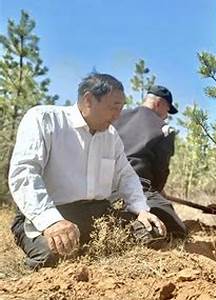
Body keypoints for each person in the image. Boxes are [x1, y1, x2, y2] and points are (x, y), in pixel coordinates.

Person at [8, 73, 167, 269]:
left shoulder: (111, 136)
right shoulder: (44, 119)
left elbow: (126, 175)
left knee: (150, 233)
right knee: (55, 256)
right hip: (47, 213)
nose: (118, 116)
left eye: (121, 108)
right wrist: (51, 221)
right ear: (89, 99)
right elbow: (24, 174)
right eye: (113, 107)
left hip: (95, 213)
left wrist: (141, 210)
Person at [113, 85, 187, 239]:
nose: (166, 116)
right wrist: (158, 190)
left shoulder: (117, 116)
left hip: (104, 187)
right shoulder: (164, 129)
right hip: (140, 188)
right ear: (159, 104)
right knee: (178, 230)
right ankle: (135, 227)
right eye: (167, 110)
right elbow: (161, 170)